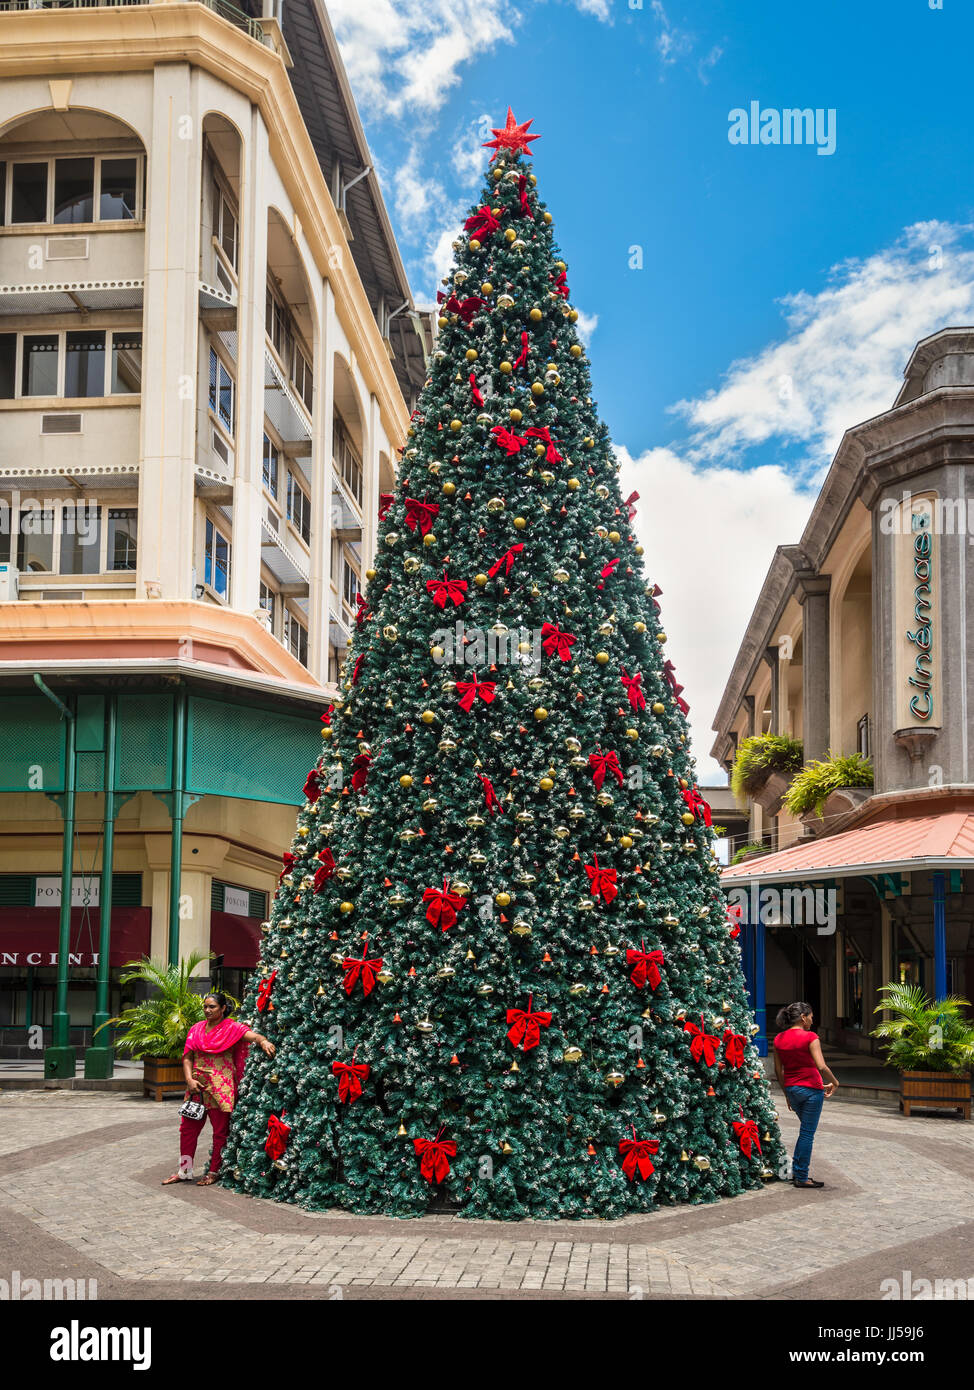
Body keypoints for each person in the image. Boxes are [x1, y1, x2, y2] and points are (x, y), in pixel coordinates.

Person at [161, 992, 275, 1187]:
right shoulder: (196, 1028)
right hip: (196, 1087)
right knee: (187, 1130)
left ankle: (214, 1171)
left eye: (212, 1007)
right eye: (205, 1006)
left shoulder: (232, 1027)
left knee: (220, 1132)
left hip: (221, 1087)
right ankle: (185, 1170)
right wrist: (188, 1079)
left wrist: (263, 1041)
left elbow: (253, 1036)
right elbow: (188, 1057)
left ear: (223, 1008)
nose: (207, 1010)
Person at [772, 1001, 839, 1189]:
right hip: (811, 1090)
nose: (811, 1020)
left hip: (793, 1089)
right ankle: (801, 1176)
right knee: (807, 1134)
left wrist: (786, 1094)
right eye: (810, 1017)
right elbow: (821, 1066)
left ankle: (798, 1171)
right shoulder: (810, 1037)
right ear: (803, 1017)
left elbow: (778, 1071)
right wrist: (835, 1082)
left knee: (805, 1131)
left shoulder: (778, 1039)